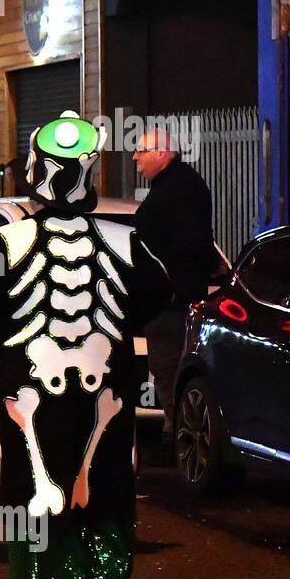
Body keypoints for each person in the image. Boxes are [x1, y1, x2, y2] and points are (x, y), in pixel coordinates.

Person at [0, 114, 170, 579]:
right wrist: (113, 326)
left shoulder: (9, 243)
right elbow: (158, 292)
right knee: (102, 478)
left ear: (35, 170)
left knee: (36, 482)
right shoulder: (122, 241)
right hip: (101, 382)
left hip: (31, 386)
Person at [131, 129, 221, 438]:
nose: (134, 157)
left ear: (162, 153)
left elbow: (192, 241)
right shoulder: (174, 187)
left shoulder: (177, 190)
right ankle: (183, 433)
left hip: (172, 305)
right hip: (171, 302)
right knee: (171, 372)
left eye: (141, 151)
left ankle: (181, 435)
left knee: (170, 372)